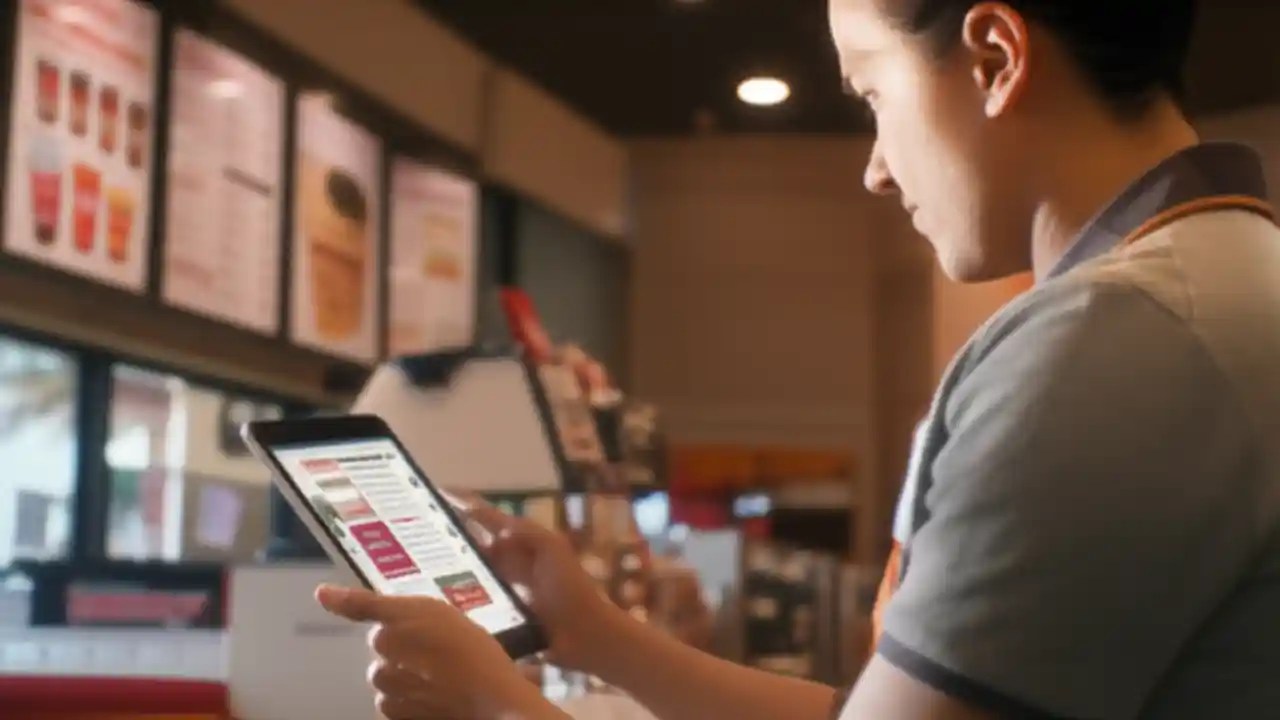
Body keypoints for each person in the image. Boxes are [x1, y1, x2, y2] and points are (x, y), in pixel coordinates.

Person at [318, 0, 1280, 717]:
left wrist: (501, 708)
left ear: (994, 55)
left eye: (872, 94)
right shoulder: (1213, 283)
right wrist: (601, 639)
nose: (874, 166)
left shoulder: (1114, 343)